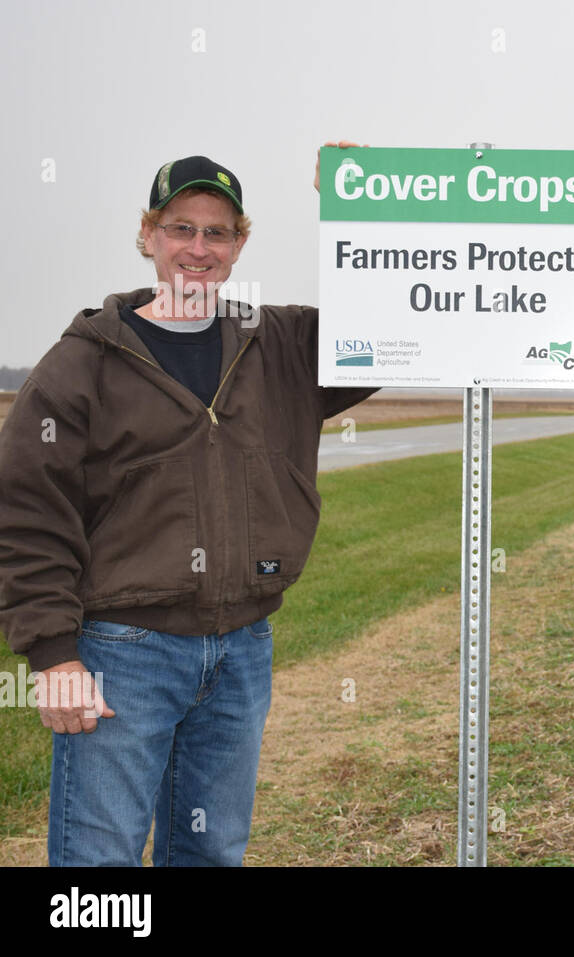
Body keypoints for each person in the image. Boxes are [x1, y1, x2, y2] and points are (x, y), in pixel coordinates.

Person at [0, 153, 375, 866]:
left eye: (219, 232)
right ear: (147, 235)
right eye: (181, 228)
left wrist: (358, 209)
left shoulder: (282, 344)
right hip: (122, 654)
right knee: (97, 864)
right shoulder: (86, 361)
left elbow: (389, 332)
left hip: (241, 649)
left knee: (210, 853)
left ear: (239, 245)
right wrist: (53, 656)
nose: (199, 249)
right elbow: (26, 508)